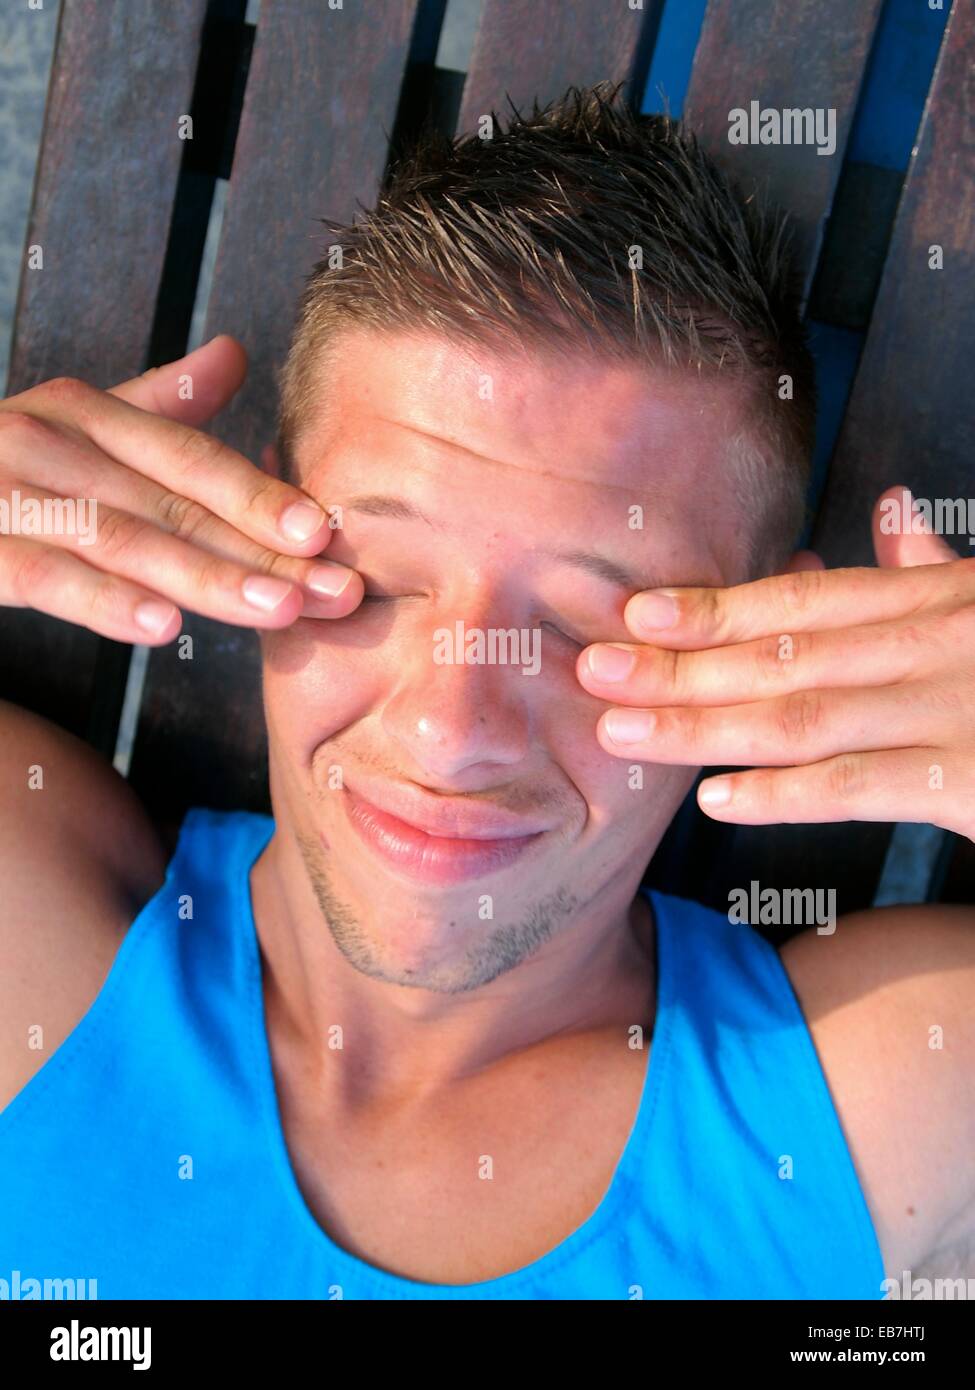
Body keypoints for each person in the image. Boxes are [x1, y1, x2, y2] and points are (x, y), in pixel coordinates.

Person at [0, 85, 972, 1300]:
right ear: (232, 533)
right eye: (381, 580)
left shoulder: (888, 1099)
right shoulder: (32, 941)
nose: (450, 732)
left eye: (580, 625)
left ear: (783, 641)